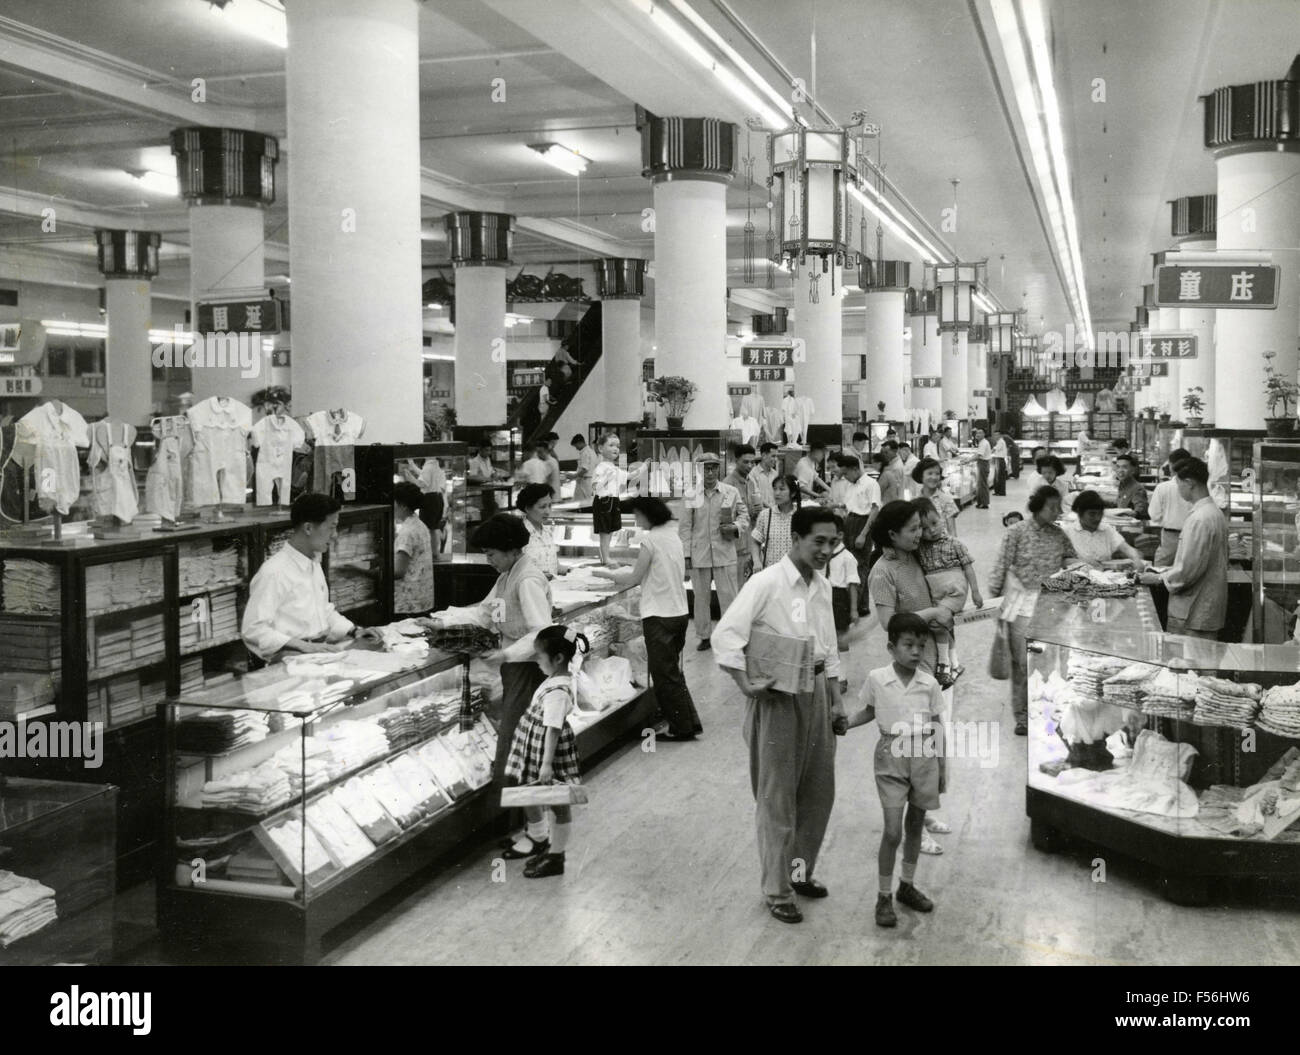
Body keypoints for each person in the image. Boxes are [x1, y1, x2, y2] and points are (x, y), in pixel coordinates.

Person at [711, 506, 845, 924]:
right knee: (777, 799)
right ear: (797, 539)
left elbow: (828, 645)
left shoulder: (821, 586)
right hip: (777, 700)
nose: (826, 550)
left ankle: (799, 872)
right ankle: (777, 889)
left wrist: (836, 698)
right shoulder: (766, 583)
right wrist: (745, 684)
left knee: (818, 794)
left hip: (818, 694)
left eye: (832, 542)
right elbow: (725, 636)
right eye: (818, 541)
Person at [424, 513, 553, 857]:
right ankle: (534, 828)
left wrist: (507, 655)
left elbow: (542, 633)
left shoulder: (526, 580)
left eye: (492, 553)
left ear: (511, 550)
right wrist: (441, 621)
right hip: (516, 673)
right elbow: (485, 614)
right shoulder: (508, 575)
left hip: (529, 673)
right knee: (518, 752)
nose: (488, 559)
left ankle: (539, 835)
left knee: (517, 752)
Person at [867, 499, 957, 853]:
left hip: (933, 657)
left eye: (921, 528)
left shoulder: (917, 556)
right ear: (892, 534)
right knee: (914, 748)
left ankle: (924, 811)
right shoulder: (882, 571)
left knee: (935, 742)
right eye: (913, 530)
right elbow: (890, 623)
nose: (920, 535)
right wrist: (934, 612)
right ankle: (912, 829)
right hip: (909, 664)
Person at [844, 612, 943, 928]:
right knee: (892, 830)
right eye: (908, 645)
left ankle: (907, 886)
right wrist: (845, 722)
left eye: (921, 646)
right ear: (891, 647)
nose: (916, 652)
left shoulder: (929, 683)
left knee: (915, 824)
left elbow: (938, 725)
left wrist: (941, 765)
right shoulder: (877, 678)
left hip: (924, 755)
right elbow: (869, 712)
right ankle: (883, 896)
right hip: (891, 756)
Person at [593, 497, 700, 741]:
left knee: (664, 676)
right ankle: (688, 722)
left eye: (637, 515)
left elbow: (633, 578)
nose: (635, 519)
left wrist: (601, 573)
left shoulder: (650, 540)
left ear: (647, 515)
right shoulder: (672, 536)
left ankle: (680, 728)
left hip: (659, 615)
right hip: (679, 612)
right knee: (672, 672)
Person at [242, 493, 384, 660]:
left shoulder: (313, 563)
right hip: (292, 660)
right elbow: (253, 630)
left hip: (319, 654)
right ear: (308, 528)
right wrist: (304, 646)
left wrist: (354, 631)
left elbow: (323, 611)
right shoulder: (274, 572)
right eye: (331, 527)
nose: (335, 535)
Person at [987, 487, 1079, 735]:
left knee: (1046, 662)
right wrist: (994, 601)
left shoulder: (1059, 535)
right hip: (1019, 605)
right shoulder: (1016, 532)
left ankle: (1044, 708)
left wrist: (1080, 568)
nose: (1057, 511)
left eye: (1059, 506)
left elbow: (1072, 559)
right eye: (1052, 507)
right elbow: (1000, 565)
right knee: (1022, 663)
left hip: (1049, 605)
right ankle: (1023, 716)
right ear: (1038, 506)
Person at [502, 625, 589, 879]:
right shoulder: (555, 680)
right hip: (536, 748)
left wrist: (547, 764)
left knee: (558, 803)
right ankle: (541, 840)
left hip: (547, 753)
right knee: (530, 791)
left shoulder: (558, 692)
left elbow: (552, 729)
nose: (535, 660)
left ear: (558, 658)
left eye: (539, 656)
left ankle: (556, 856)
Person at [1139, 457, 1227, 640]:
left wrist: (1157, 578)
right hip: (1203, 606)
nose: (1178, 489)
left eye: (1178, 484)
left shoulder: (1200, 519)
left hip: (1193, 610)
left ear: (1189, 483)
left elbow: (1186, 571)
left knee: (1190, 664)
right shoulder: (1212, 512)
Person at [680, 452, 748, 650]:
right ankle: (704, 636)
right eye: (705, 468)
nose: (709, 472)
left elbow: (744, 516)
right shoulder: (691, 494)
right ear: (699, 471)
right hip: (698, 554)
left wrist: (735, 526)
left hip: (724, 552)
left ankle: (730, 635)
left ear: (719, 469)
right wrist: (686, 556)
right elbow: (685, 527)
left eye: (713, 468)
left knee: (729, 596)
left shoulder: (730, 492)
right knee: (701, 599)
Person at [914, 496, 983, 686]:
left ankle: (943, 664)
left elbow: (968, 567)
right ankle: (955, 663)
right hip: (936, 592)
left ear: (941, 517)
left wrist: (976, 592)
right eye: (924, 529)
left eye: (934, 523)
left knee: (937, 625)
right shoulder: (919, 547)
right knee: (944, 626)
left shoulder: (955, 543)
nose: (932, 531)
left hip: (954, 591)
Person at [833, 452, 881, 616]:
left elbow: (874, 510)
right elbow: (849, 506)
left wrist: (863, 534)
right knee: (852, 565)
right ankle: (863, 606)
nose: (845, 477)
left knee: (860, 566)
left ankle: (851, 607)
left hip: (862, 524)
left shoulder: (871, 484)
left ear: (855, 469)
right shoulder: (851, 485)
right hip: (850, 523)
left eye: (846, 473)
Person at [591, 433, 640, 566]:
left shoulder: (613, 467)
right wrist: (607, 477)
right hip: (603, 501)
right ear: (600, 448)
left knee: (611, 530)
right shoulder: (601, 467)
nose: (615, 449)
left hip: (614, 500)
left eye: (617, 446)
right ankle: (605, 557)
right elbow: (595, 486)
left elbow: (629, 476)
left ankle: (607, 556)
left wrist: (642, 468)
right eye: (611, 445)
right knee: (604, 531)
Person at [1066, 490, 1145, 571]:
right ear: (1079, 512)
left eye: (1100, 514)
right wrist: (1084, 562)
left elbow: (1126, 548)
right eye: (1092, 514)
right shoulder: (1068, 532)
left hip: (1105, 576)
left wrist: (1136, 559)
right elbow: (1063, 561)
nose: (1097, 518)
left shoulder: (1106, 530)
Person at [827, 516, 860, 693]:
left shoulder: (847, 557)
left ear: (841, 535)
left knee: (841, 639)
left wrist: (854, 609)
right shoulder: (822, 554)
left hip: (839, 598)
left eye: (834, 534)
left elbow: (852, 584)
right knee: (826, 639)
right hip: (823, 598)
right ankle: (830, 675)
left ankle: (842, 677)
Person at [392, 481, 435, 615]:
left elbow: (398, 572)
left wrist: (362, 571)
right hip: (423, 599)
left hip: (408, 603)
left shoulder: (407, 532)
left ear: (403, 506)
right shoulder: (420, 525)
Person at [724, 443, 764, 583]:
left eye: (752, 462)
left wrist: (759, 512)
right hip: (736, 546)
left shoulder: (751, 481)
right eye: (745, 462)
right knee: (737, 587)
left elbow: (757, 505)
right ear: (736, 461)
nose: (750, 465)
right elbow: (725, 518)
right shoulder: (728, 484)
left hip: (752, 543)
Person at [1149, 448, 1194, 565]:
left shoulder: (1162, 487)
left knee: (1160, 572)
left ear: (1171, 465)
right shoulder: (1196, 486)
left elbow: (1154, 515)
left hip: (1170, 537)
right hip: (1193, 536)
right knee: (1188, 571)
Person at [751, 473, 801, 572]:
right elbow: (755, 540)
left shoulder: (801, 515)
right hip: (771, 573)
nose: (777, 493)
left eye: (782, 489)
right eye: (775, 489)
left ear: (793, 493)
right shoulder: (766, 515)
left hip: (795, 572)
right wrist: (756, 561)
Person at [515, 482, 559, 579]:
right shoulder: (519, 533)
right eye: (542, 507)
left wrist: (573, 571)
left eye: (549, 506)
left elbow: (553, 565)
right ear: (527, 508)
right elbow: (516, 570)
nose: (547, 511)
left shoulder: (548, 532)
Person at [911, 457, 959, 536]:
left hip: (943, 546)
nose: (934, 477)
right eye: (930, 473)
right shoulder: (915, 501)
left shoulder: (946, 500)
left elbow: (952, 531)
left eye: (937, 474)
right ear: (921, 476)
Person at [1112, 453, 1149, 520]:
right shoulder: (1122, 484)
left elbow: (1140, 511)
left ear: (1133, 470)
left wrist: (1127, 513)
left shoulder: (1137, 489)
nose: (1120, 470)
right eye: (1118, 467)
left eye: (1125, 467)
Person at [876, 441, 908, 506]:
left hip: (892, 503)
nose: (884, 455)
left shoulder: (896, 467)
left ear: (894, 451)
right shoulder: (891, 463)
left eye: (886, 452)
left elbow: (895, 490)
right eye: (883, 453)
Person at [571, 433, 598, 504]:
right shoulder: (592, 452)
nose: (576, 448)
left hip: (585, 481)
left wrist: (573, 476)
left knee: (584, 502)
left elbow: (584, 469)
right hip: (590, 480)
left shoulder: (585, 453)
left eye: (576, 446)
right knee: (585, 501)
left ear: (580, 443)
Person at [752, 442, 780, 508]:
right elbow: (756, 497)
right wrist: (772, 509)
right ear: (764, 455)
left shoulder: (775, 474)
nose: (776, 459)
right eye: (773, 456)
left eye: (776, 456)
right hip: (761, 513)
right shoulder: (753, 474)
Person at [973, 428, 992, 509]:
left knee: (982, 484)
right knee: (980, 484)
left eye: (980, 433)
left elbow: (979, 455)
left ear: (984, 434)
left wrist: (968, 460)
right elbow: (977, 454)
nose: (978, 434)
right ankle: (980, 502)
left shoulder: (984, 443)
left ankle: (984, 503)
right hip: (981, 463)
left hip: (983, 464)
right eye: (977, 433)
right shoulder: (981, 442)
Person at [991, 431, 1009, 497]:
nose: (995, 436)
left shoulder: (1001, 442)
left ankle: (1000, 492)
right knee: (998, 476)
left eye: (997, 435)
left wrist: (989, 452)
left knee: (999, 477)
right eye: (994, 435)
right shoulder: (999, 441)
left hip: (1000, 460)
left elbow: (995, 449)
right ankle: (999, 491)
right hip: (999, 460)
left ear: (1000, 435)